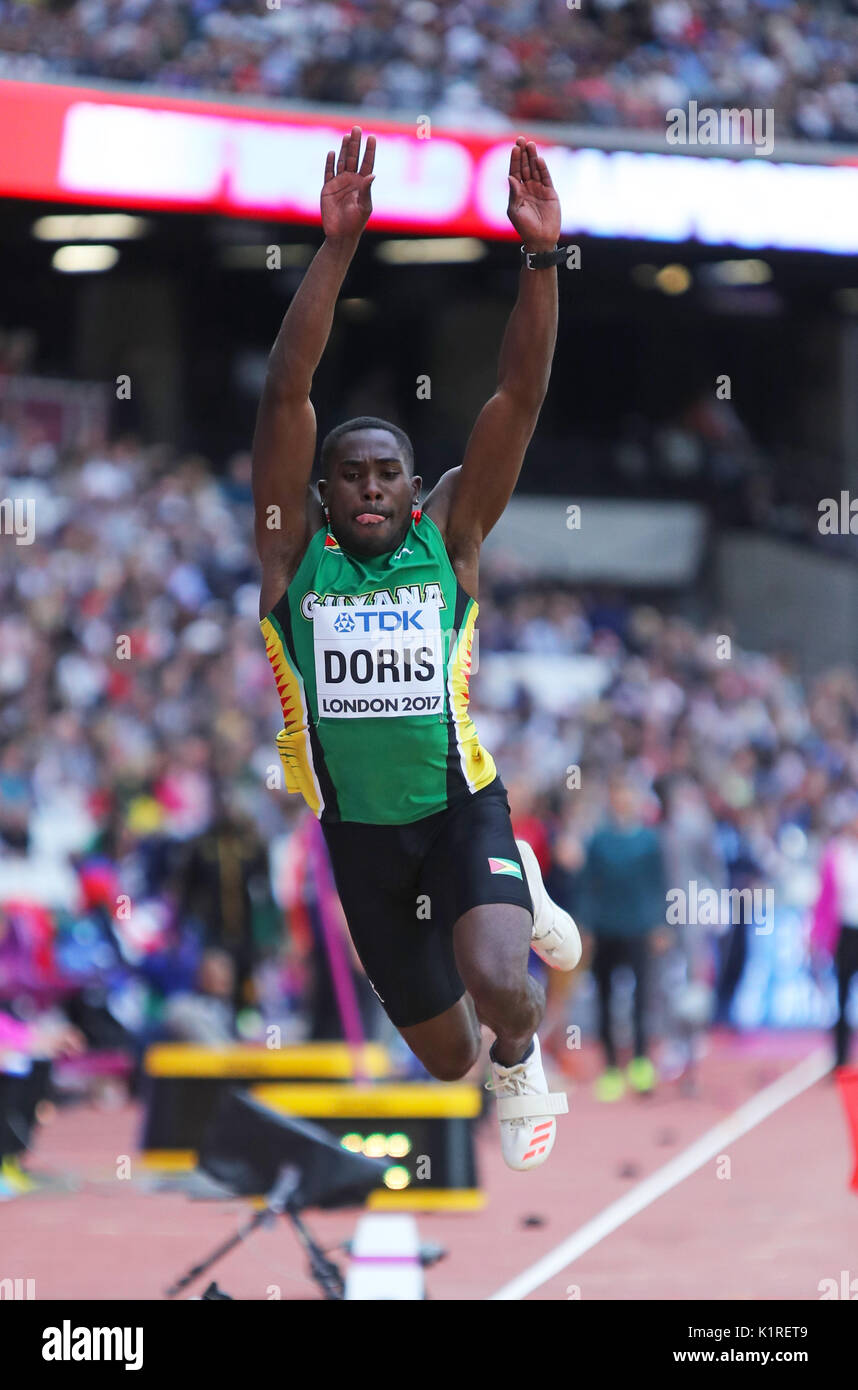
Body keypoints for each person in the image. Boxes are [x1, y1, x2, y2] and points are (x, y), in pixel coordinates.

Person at [252, 126, 581, 1171]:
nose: (369, 488)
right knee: (440, 1057)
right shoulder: (289, 560)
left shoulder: (452, 541)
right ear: (322, 493)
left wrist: (537, 261)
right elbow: (284, 397)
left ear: (410, 483)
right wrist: (337, 248)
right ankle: (508, 936)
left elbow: (516, 400)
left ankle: (521, 1054)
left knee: (499, 989)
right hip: (355, 835)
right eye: (349, 475)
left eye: (387, 472)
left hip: (455, 806)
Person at [576, 776, 668, 1101]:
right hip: (604, 929)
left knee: (641, 1000)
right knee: (604, 1000)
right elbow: (586, 886)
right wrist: (584, 926)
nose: (622, 799)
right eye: (618, 793)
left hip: (640, 929)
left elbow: (659, 884)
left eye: (627, 793)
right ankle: (611, 1068)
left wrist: (660, 924)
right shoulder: (598, 841)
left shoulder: (649, 840)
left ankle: (641, 1063)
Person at [811, 796, 858, 1068]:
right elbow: (825, 899)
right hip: (846, 933)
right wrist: (817, 934)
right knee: (841, 995)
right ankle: (840, 1057)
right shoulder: (836, 855)